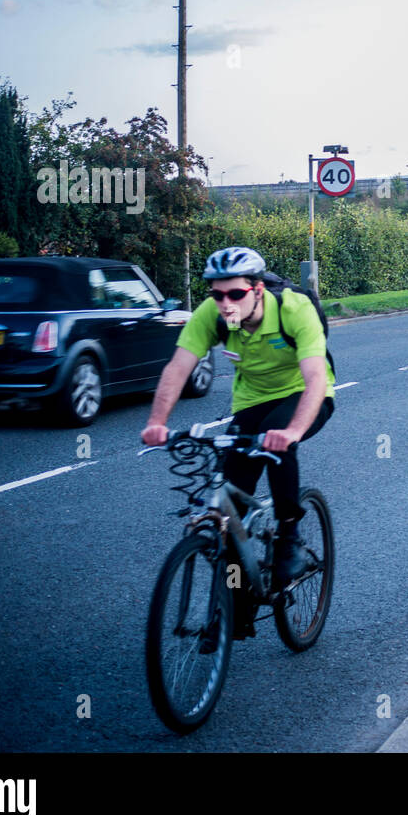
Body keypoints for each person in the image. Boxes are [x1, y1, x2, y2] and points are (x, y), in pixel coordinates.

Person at [141, 246, 335, 589]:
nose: (226, 303)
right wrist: (157, 423)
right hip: (252, 400)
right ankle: (236, 605)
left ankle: (290, 537)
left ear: (257, 289)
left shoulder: (293, 309)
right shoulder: (213, 314)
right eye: (217, 294)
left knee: (275, 438)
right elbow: (178, 368)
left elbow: (316, 378)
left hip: (304, 394)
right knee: (230, 507)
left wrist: (292, 432)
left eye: (236, 293)